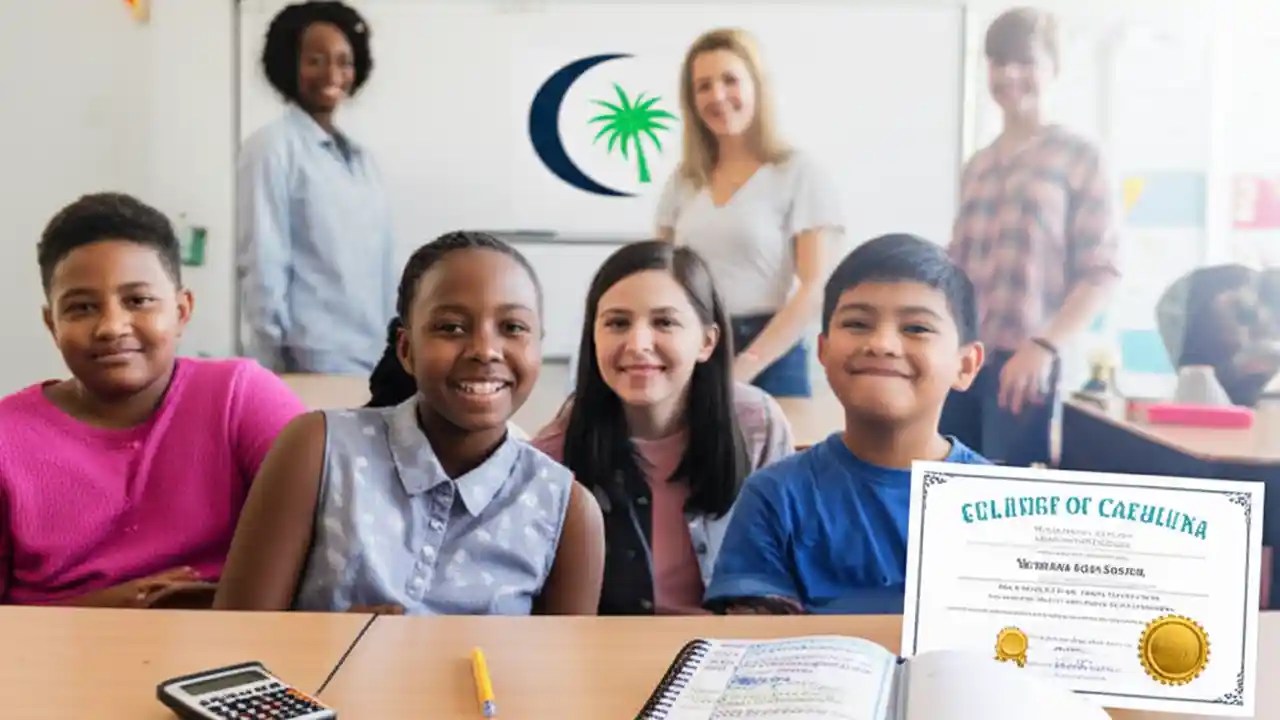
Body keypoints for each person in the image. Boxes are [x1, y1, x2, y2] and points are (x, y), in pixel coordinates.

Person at [214, 231, 605, 615]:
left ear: (538, 346)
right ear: (406, 349)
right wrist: (328, 645)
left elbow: (559, 674)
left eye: (513, 328)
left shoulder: (565, 511)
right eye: (451, 327)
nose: (485, 350)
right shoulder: (318, 450)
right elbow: (237, 642)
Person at [0, 193, 306, 607]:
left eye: (138, 301)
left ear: (182, 310)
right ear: (51, 324)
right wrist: (105, 612)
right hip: (50, 659)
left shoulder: (239, 396)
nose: (111, 326)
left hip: (229, 645)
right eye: (82, 308)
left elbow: (332, 530)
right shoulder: (8, 438)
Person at [704, 234, 988, 615]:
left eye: (916, 328)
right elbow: (753, 640)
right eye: (857, 323)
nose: (882, 344)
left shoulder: (1003, 505)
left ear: (966, 365)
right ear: (823, 350)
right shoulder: (774, 497)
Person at [531, 241, 795, 615]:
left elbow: (784, 578)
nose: (638, 344)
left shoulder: (758, 426)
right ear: (593, 336)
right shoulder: (553, 456)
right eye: (617, 323)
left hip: (732, 654)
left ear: (707, 341)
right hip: (609, 658)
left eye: (665, 322)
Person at [943, 7, 1120, 466]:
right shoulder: (977, 165)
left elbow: (1102, 271)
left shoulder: (1079, 155)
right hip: (965, 359)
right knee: (947, 492)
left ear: (1053, 68)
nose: (1010, 74)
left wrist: (1042, 347)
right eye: (999, 62)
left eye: (1025, 62)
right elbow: (956, 268)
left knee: (1010, 511)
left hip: (1030, 363)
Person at [655, 27, 842, 398]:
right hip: (695, 344)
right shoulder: (685, 180)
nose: (717, 96)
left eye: (730, 80)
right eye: (703, 86)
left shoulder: (798, 172)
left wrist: (748, 365)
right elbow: (658, 274)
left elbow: (814, 287)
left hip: (772, 354)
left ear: (757, 86)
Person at [237, 0, 396, 375]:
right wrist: (272, 359)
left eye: (344, 61)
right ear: (289, 65)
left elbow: (382, 263)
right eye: (315, 59)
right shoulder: (271, 147)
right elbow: (263, 256)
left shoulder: (362, 159)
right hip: (307, 356)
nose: (332, 73)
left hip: (370, 351)